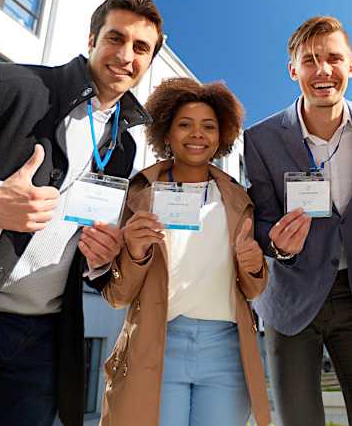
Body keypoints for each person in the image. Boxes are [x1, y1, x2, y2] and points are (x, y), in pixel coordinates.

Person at [0, 0, 163, 426]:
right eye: (115, 38)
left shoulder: (124, 145)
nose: (125, 56)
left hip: (44, 343)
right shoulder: (3, 85)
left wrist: (99, 259)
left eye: (141, 48)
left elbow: (78, 238)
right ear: (91, 39)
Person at [244, 16, 352, 426]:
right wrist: (277, 243)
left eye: (333, 58)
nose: (323, 71)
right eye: (310, 60)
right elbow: (260, 218)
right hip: (289, 299)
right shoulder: (260, 140)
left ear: (351, 65)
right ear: (293, 70)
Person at [99, 77, 271, 426]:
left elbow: (253, 289)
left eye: (208, 126)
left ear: (221, 136)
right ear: (166, 132)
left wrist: (253, 266)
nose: (197, 134)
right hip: (157, 342)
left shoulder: (239, 199)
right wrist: (132, 251)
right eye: (185, 125)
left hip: (226, 348)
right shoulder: (138, 192)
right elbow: (117, 295)